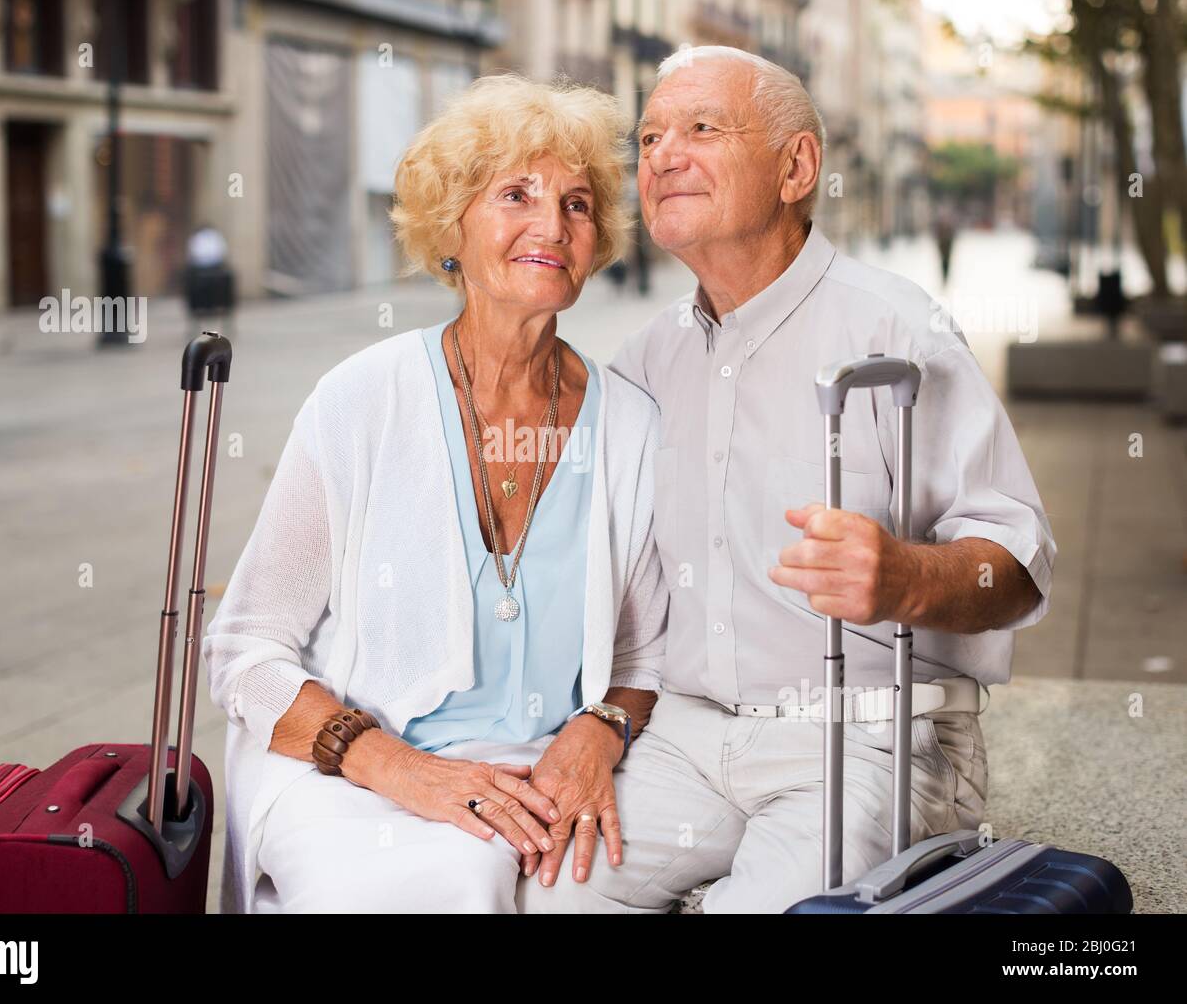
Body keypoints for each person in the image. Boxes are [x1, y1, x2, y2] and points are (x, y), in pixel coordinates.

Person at [518, 46, 1057, 914]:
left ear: (796, 166)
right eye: (649, 137)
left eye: (701, 128)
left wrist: (908, 576)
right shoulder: (648, 360)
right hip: (685, 740)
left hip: (869, 739)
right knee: (550, 897)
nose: (660, 155)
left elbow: (1019, 564)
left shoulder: (899, 332)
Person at [203, 74, 668, 913]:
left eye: (576, 204)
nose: (551, 226)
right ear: (452, 225)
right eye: (515, 195)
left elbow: (644, 658)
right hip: (350, 775)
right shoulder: (362, 399)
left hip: (532, 778)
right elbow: (244, 652)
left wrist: (602, 728)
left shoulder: (630, 424)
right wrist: (403, 770)